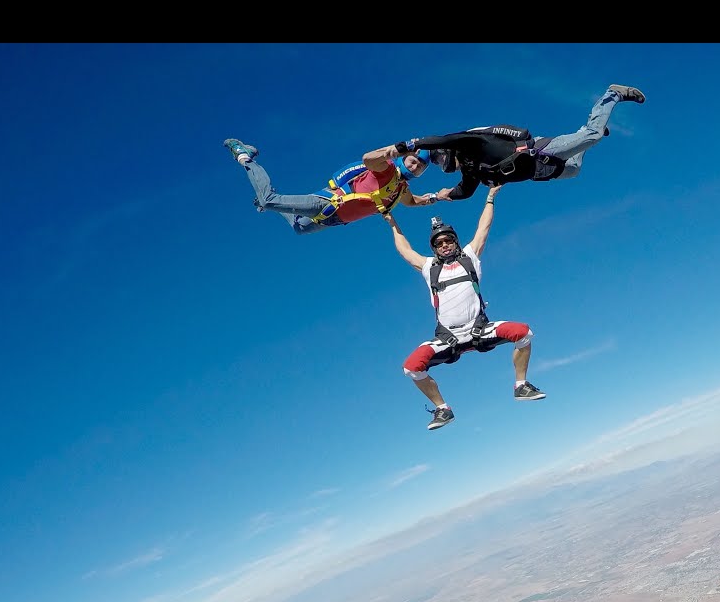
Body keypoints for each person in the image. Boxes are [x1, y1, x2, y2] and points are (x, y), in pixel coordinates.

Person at [383, 184, 546, 430]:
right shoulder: (429, 268)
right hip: (448, 337)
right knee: (411, 367)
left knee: (523, 332)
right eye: (439, 243)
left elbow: (483, 228)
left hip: (478, 329)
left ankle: (521, 385)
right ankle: (442, 409)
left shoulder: (470, 258)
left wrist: (490, 197)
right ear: (434, 249)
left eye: (449, 240)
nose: (445, 245)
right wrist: (391, 220)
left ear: (456, 242)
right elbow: (405, 251)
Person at [393, 83, 646, 202]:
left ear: (446, 153)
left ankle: (612, 94)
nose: (440, 163)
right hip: (543, 171)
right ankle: (590, 131)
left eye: (437, 157)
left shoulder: (470, 143)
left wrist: (411, 144)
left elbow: (445, 138)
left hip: (540, 150)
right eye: (435, 163)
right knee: (576, 169)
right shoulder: (473, 170)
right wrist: (443, 196)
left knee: (592, 136)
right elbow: (466, 191)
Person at [223, 138, 440, 235]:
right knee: (267, 200)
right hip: (326, 202)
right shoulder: (388, 168)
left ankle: (273, 204)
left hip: (332, 220)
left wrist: (436, 197)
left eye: (421, 166)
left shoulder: (401, 188)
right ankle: (245, 156)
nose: (416, 166)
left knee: (299, 228)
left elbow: (412, 202)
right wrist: (398, 149)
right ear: (405, 158)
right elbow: (368, 159)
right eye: (413, 160)